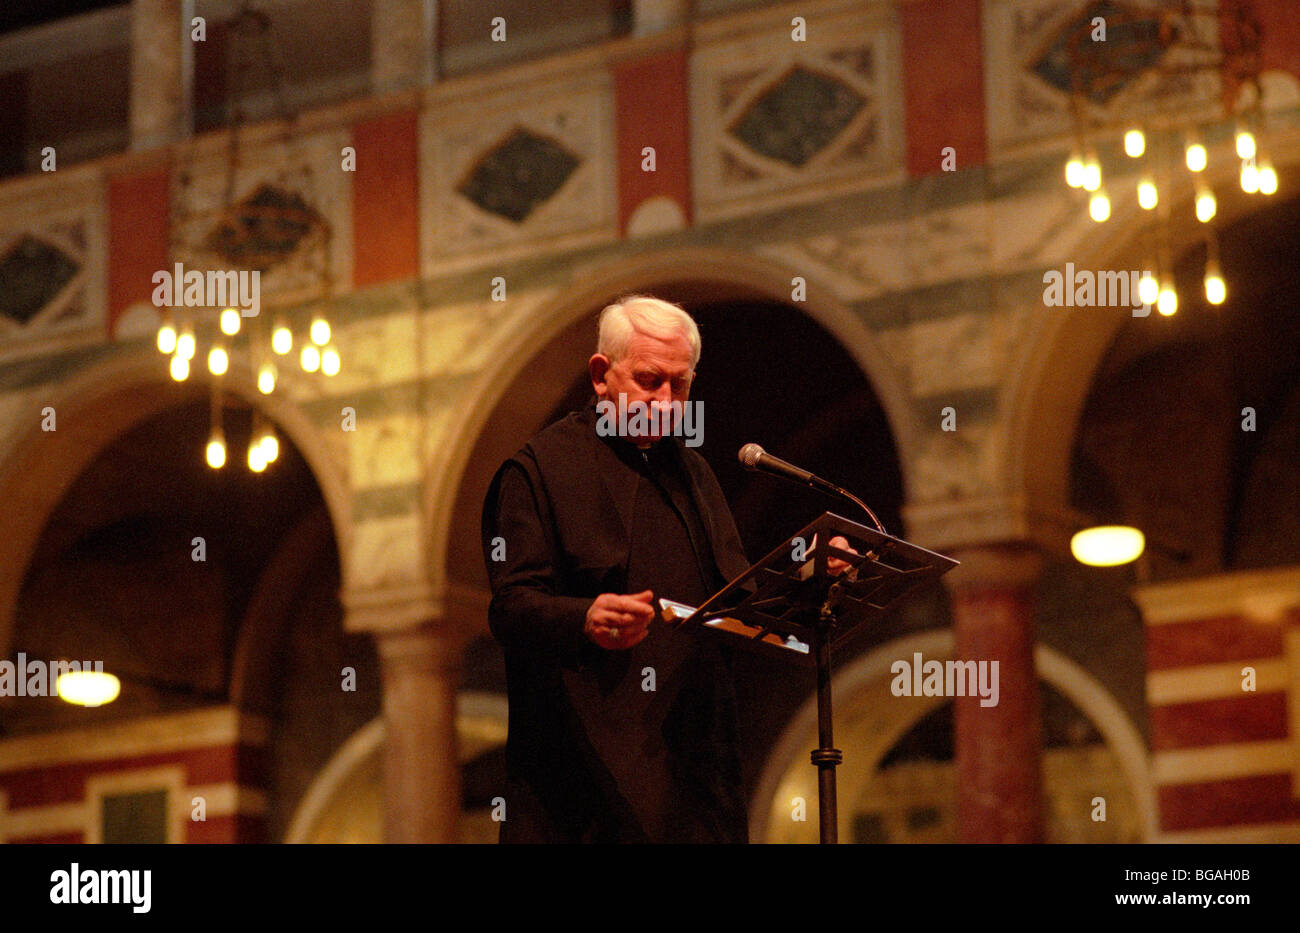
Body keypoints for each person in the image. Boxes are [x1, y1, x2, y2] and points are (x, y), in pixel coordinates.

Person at [482, 295, 852, 843]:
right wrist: (582, 618)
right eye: (649, 380)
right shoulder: (536, 471)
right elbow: (510, 607)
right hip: (581, 790)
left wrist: (811, 575)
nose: (666, 401)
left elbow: (738, 604)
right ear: (601, 374)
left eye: (680, 386)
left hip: (696, 781)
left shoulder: (694, 473)